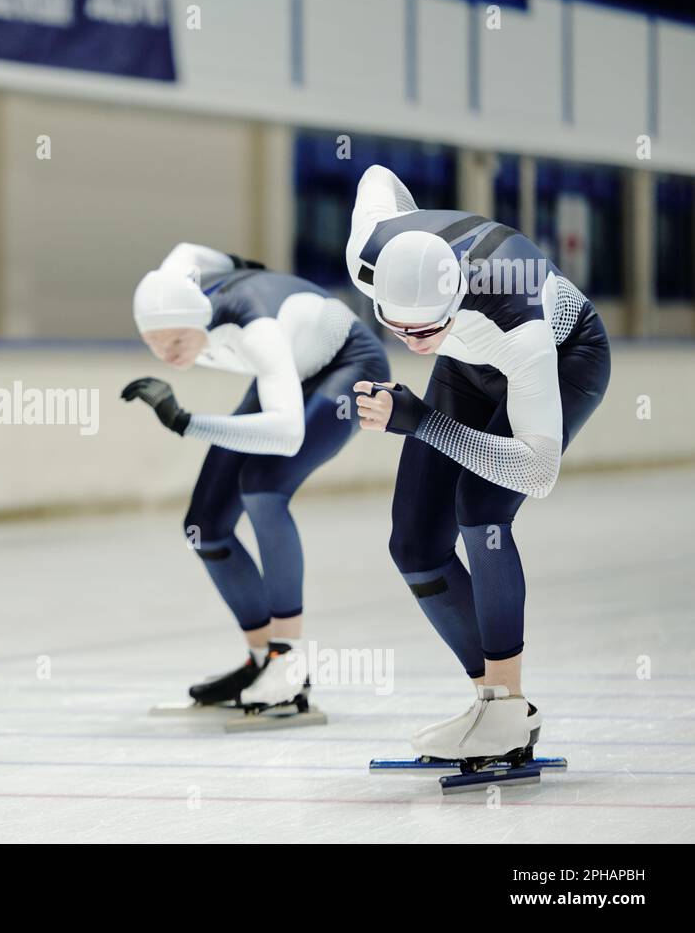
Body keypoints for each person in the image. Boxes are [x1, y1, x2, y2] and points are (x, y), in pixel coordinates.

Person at [346, 164, 610, 762]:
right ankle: (494, 704)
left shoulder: (522, 327)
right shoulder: (368, 254)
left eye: (426, 330)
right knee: (413, 544)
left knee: (482, 509)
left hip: (567, 357)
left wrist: (424, 423)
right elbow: (379, 175)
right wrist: (413, 227)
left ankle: (508, 709)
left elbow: (536, 473)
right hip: (467, 357)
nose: (413, 342)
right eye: (399, 329)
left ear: (455, 301)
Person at [122, 243, 389, 710]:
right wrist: (235, 264)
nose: (168, 356)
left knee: (264, 486)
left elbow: (286, 435)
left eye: (179, 344)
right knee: (203, 527)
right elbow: (185, 251)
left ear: (199, 320)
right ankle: (260, 657)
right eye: (154, 346)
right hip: (293, 367)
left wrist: (187, 422)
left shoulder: (256, 331)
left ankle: (289, 659)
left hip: (349, 364)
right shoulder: (175, 285)